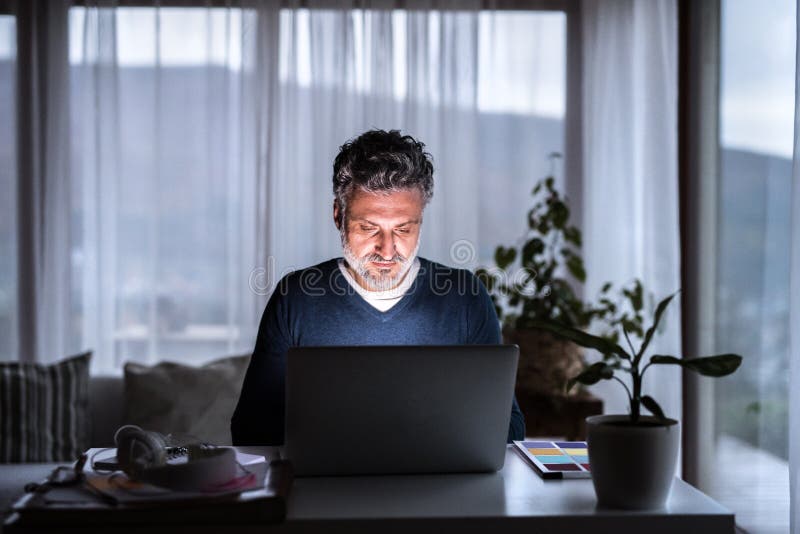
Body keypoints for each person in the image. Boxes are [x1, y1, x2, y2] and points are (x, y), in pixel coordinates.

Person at [231, 129, 525, 445]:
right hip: (326, 490)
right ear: (338, 216)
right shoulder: (296, 300)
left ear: (420, 221)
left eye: (403, 229)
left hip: (439, 488)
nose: (387, 249)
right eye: (369, 228)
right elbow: (251, 430)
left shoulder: (466, 299)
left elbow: (509, 427)